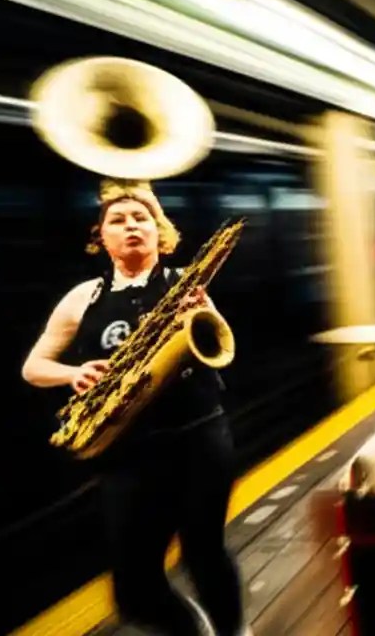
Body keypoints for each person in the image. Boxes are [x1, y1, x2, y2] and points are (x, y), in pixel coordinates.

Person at [22, 178, 249, 636]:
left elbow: (221, 345)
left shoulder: (185, 284)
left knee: (204, 552)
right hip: (126, 452)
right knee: (134, 586)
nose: (131, 226)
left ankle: (232, 632)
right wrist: (73, 374)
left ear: (158, 232)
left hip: (198, 439)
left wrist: (200, 309)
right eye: (118, 220)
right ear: (99, 235)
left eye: (141, 218)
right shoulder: (80, 299)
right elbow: (33, 367)